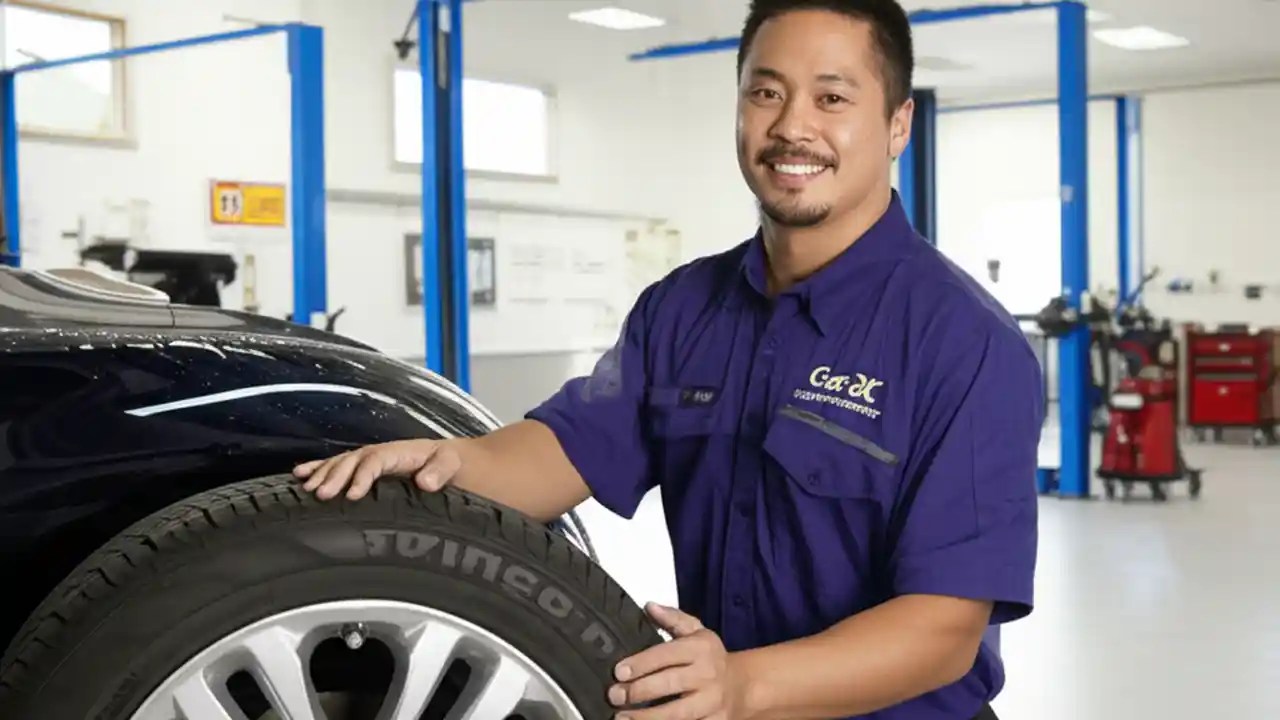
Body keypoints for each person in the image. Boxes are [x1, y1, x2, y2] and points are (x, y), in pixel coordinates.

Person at [294, 0, 1044, 718]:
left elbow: (943, 630)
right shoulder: (684, 309)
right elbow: (565, 451)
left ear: (898, 124)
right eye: (766, 92)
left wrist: (744, 686)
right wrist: (440, 466)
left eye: (832, 99)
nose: (792, 127)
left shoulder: (965, 343)